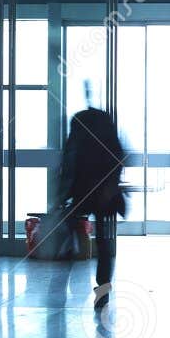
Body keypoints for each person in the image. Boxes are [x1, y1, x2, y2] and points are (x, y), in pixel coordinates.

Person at [58, 96, 127, 310]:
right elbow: (118, 157)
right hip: (103, 193)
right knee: (104, 243)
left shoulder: (78, 123)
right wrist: (111, 187)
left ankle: (68, 258)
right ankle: (103, 291)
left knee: (72, 228)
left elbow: (69, 159)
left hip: (82, 191)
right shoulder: (105, 125)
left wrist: (63, 193)